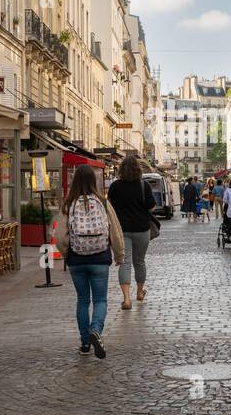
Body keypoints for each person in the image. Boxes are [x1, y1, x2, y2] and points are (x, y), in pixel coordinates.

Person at [56, 165, 124, 358]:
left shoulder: (68, 203)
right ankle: (96, 329)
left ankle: (85, 343)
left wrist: (66, 254)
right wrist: (119, 254)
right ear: (94, 181)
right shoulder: (103, 201)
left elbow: (60, 236)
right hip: (100, 258)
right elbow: (115, 230)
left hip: (77, 260)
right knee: (101, 299)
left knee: (83, 300)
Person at [107, 152, 156, 310]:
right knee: (140, 262)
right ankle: (140, 292)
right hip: (142, 229)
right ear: (138, 169)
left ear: (121, 169)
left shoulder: (115, 186)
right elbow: (152, 207)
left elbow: (110, 207)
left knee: (125, 263)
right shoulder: (144, 185)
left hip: (122, 230)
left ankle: (126, 299)